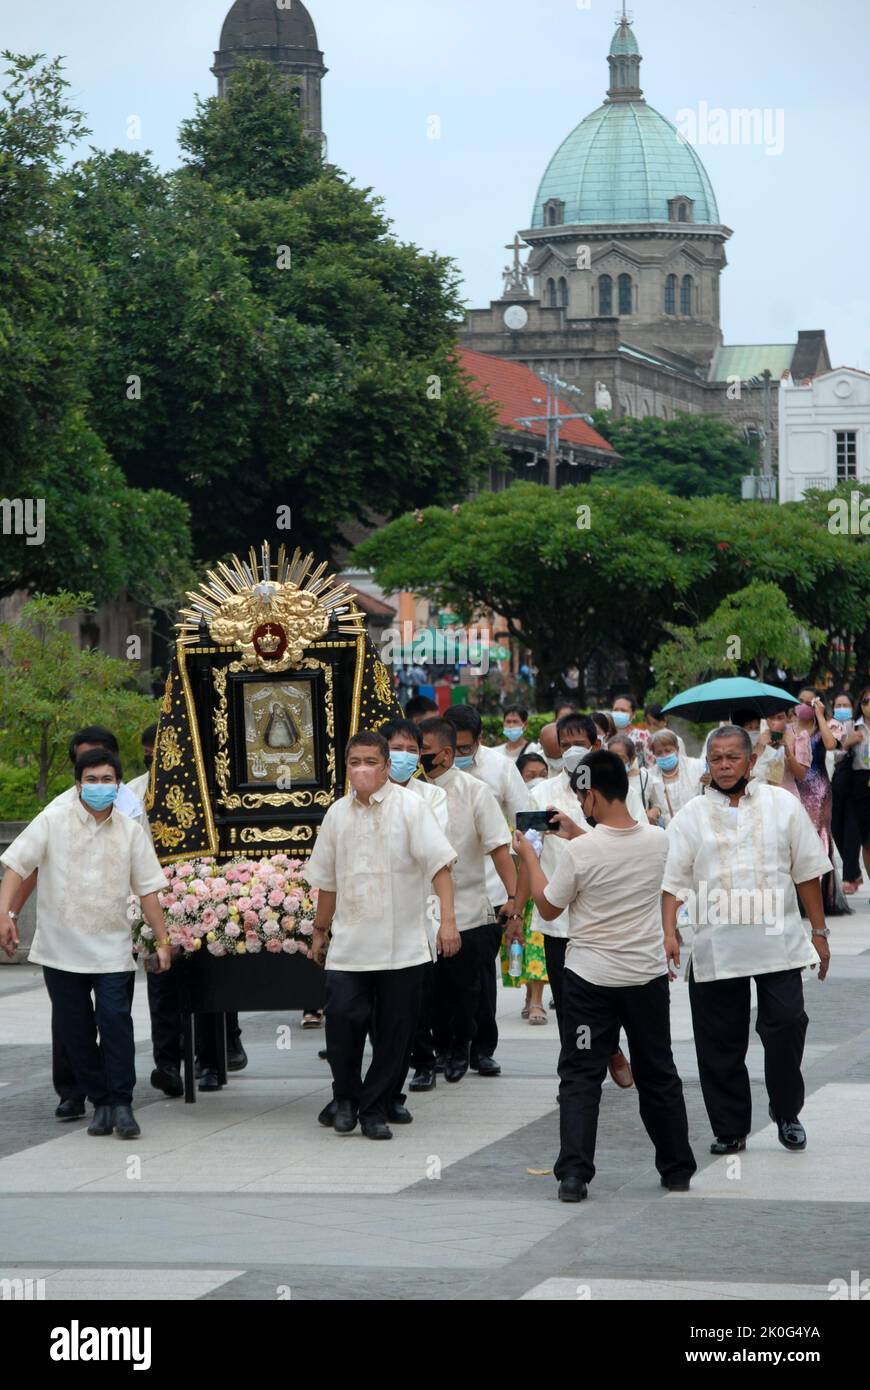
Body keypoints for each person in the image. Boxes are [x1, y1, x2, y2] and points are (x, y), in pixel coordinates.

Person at [514, 750, 696, 1202]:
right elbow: (613, 848)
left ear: (590, 794)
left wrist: (530, 856)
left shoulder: (580, 852)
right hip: (645, 977)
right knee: (658, 1071)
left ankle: (574, 1175)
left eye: (582, 798)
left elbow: (550, 906)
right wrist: (577, 832)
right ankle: (676, 1167)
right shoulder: (657, 839)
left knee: (579, 1075)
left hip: (589, 981)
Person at [662, 725, 832, 1156]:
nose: (723, 765)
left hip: (779, 942)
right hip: (717, 946)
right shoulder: (691, 816)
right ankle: (730, 1127)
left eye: (732, 757)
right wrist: (668, 933)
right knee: (720, 1041)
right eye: (715, 758)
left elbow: (806, 871)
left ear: (751, 761)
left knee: (787, 1024)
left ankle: (787, 1111)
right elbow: (672, 882)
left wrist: (819, 931)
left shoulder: (782, 805)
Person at [0, 748, 170, 1139]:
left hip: (112, 949)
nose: (98, 787)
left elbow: (147, 890)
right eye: (91, 780)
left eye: (106, 780)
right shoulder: (53, 820)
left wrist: (163, 940)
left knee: (115, 1023)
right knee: (74, 1030)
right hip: (61, 950)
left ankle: (123, 1104)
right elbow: (16, 865)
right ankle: (101, 1103)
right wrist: (4, 916)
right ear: (78, 785)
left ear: (118, 785)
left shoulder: (129, 830)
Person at [307, 732, 458, 1139]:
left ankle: (374, 1109)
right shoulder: (336, 814)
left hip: (402, 945)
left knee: (396, 1035)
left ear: (387, 766)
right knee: (342, 1023)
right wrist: (320, 932)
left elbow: (440, 868)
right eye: (354, 761)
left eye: (370, 761)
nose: (362, 769)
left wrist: (447, 922)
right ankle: (346, 1097)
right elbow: (326, 882)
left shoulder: (411, 807)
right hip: (350, 945)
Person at [510, 715, 633, 1086]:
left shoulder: (614, 789)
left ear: (596, 745)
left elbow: (630, 841)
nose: (571, 751)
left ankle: (609, 1044)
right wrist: (516, 907)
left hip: (604, 916)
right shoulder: (541, 794)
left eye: (578, 742)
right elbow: (525, 856)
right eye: (564, 745)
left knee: (607, 995)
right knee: (567, 1002)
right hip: (557, 917)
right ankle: (578, 1075)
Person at [413, 717, 516, 1084]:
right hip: (418, 910)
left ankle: (463, 1048)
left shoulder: (474, 791)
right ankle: (430, 1056)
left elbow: (499, 848)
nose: (416, 758)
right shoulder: (408, 791)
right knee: (427, 990)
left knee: (466, 989)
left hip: (470, 906)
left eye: (421, 751)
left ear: (445, 753)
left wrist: (514, 897)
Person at [443, 704, 528, 1077]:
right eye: (452, 748)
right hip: (444, 890)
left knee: (480, 976)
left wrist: (517, 894)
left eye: (465, 749)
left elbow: (524, 819)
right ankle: (449, 1046)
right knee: (446, 977)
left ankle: (483, 1048)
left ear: (479, 742)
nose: (458, 755)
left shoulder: (499, 768)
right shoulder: (431, 772)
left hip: (493, 888)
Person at [782, 692, 849, 915]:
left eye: (808, 701)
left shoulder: (827, 725)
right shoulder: (788, 729)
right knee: (796, 838)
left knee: (820, 837)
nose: (804, 705)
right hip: (795, 788)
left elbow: (831, 744)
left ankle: (822, 896)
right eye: (800, 701)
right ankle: (798, 899)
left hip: (819, 790)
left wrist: (819, 715)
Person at [837, 687, 870, 888]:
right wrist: (847, 743)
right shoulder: (851, 726)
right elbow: (835, 756)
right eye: (866, 701)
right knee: (867, 840)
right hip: (859, 783)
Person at [830, 692, 863, 893]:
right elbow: (831, 750)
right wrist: (847, 742)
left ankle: (850, 877)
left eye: (845, 704)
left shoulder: (859, 726)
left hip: (857, 781)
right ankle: (854, 872)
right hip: (839, 780)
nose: (842, 708)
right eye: (838, 704)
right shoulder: (830, 726)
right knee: (836, 827)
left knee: (852, 829)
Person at [647, 731, 704, 826]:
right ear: (654, 755)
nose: (664, 755)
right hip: (667, 831)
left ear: (677, 749)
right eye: (659, 753)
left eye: (668, 750)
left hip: (696, 827)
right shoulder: (649, 775)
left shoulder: (696, 766)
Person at [607, 734, 659, 827]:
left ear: (632, 759)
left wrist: (655, 812)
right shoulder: (600, 780)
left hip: (640, 831)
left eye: (620, 758)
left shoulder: (644, 778)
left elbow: (657, 804)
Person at [641, 704, 687, 769]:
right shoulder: (642, 738)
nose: (652, 727)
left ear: (664, 720)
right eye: (648, 723)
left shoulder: (676, 740)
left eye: (655, 724)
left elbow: (683, 764)